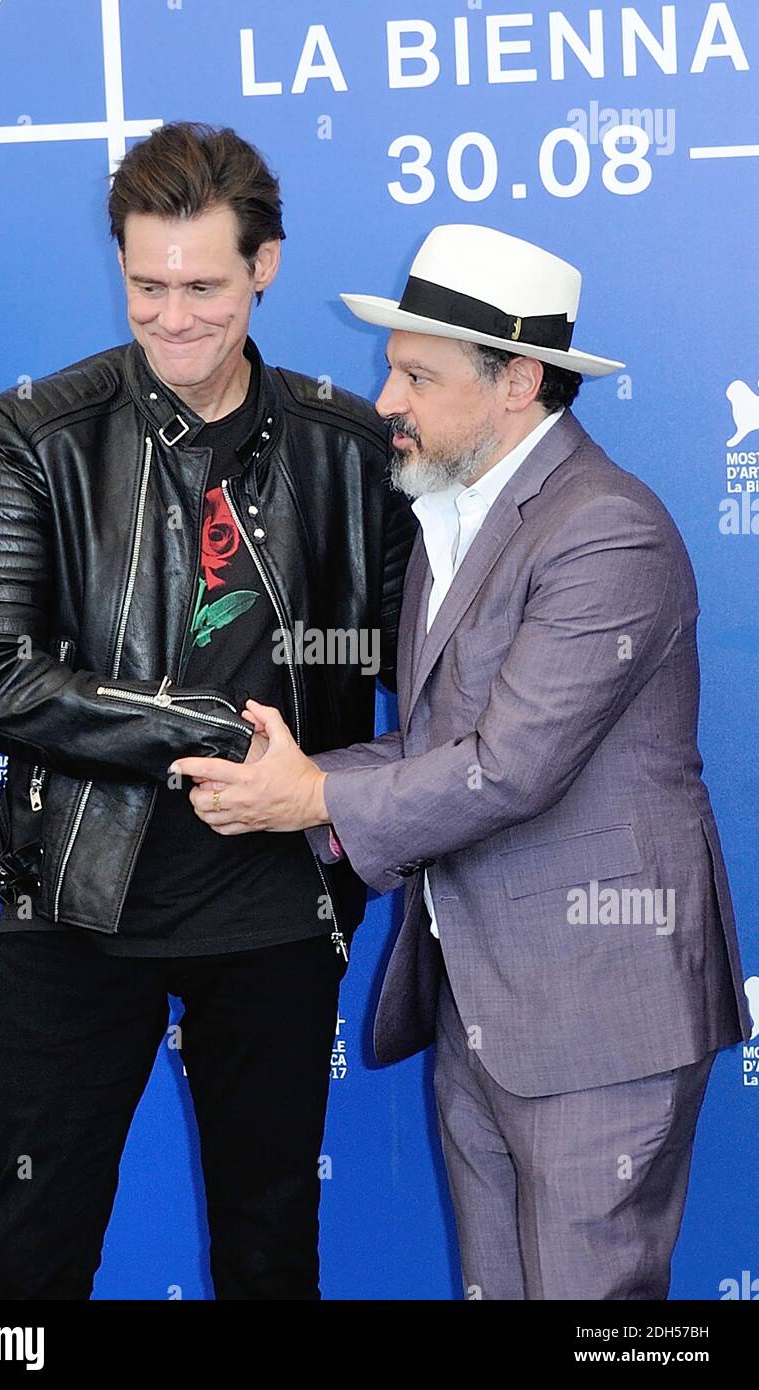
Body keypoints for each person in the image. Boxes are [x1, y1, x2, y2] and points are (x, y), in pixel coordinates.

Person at [175, 223, 752, 1300]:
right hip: (483, 1009)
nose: (385, 399)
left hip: (597, 1018)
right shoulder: (454, 518)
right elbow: (441, 745)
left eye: (414, 375)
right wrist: (297, 777)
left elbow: (508, 767)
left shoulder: (604, 530)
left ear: (516, 382)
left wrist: (313, 794)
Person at [0, 121, 414, 1300]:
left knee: (271, 1253)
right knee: (32, 1264)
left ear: (266, 265)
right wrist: (207, 732)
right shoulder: (36, 432)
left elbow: (427, 662)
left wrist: (327, 799)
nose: (172, 316)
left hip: (276, 917)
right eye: (145, 285)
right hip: (76, 913)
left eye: (203, 284)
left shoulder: (347, 445)